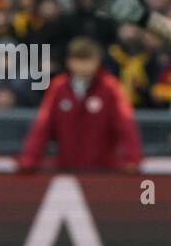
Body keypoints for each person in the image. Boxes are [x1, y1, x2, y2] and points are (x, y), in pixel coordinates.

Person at [17, 36, 142, 173]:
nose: (83, 66)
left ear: (97, 61)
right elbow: (43, 125)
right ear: (69, 62)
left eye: (88, 60)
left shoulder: (110, 87)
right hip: (67, 168)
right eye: (78, 60)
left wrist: (133, 159)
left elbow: (126, 124)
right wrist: (29, 159)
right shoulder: (58, 87)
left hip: (105, 171)